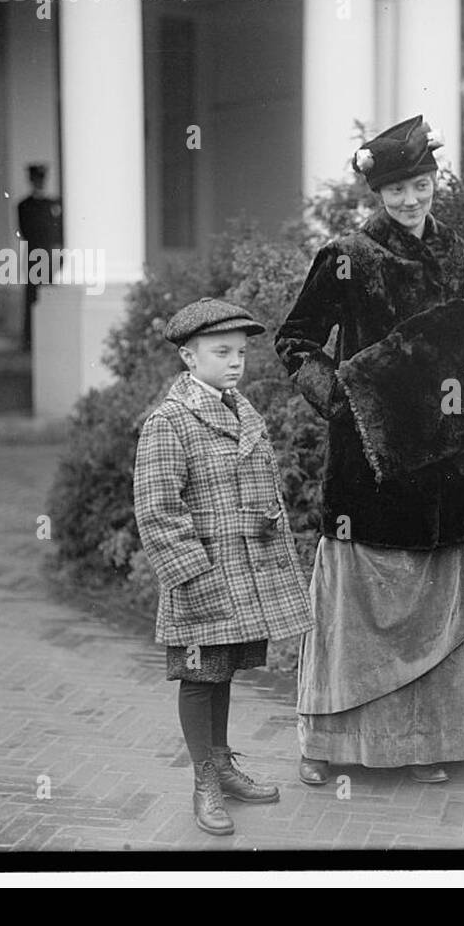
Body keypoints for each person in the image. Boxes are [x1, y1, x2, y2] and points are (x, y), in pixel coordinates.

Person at [275, 115, 464, 787]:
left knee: (433, 608)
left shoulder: (462, 257)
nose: (410, 199)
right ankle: (327, 745)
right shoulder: (347, 254)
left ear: (435, 182)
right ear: (378, 192)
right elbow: (296, 343)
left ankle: (426, 745)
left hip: (445, 476)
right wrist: (346, 404)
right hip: (366, 476)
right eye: (397, 188)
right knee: (353, 614)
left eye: (421, 184)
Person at [134, 297, 314, 836]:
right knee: (197, 675)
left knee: (223, 669)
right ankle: (203, 782)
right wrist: (194, 574)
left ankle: (224, 765)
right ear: (189, 358)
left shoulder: (241, 409)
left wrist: (266, 520)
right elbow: (157, 509)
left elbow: (259, 486)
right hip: (203, 576)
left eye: (240, 352)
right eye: (221, 352)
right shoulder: (169, 422)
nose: (236, 362)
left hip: (244, 570)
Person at [15, 163, 62, 351]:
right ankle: (30, 339)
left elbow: (57, 231)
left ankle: (51, 336)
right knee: (33, 295)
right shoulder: (24, 205)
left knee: (51, 294)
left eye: (41, 179)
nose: (39, 183)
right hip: (35, 255)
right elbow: (25, 231)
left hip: (51, 255)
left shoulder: (53, 204)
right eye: (36, 179)